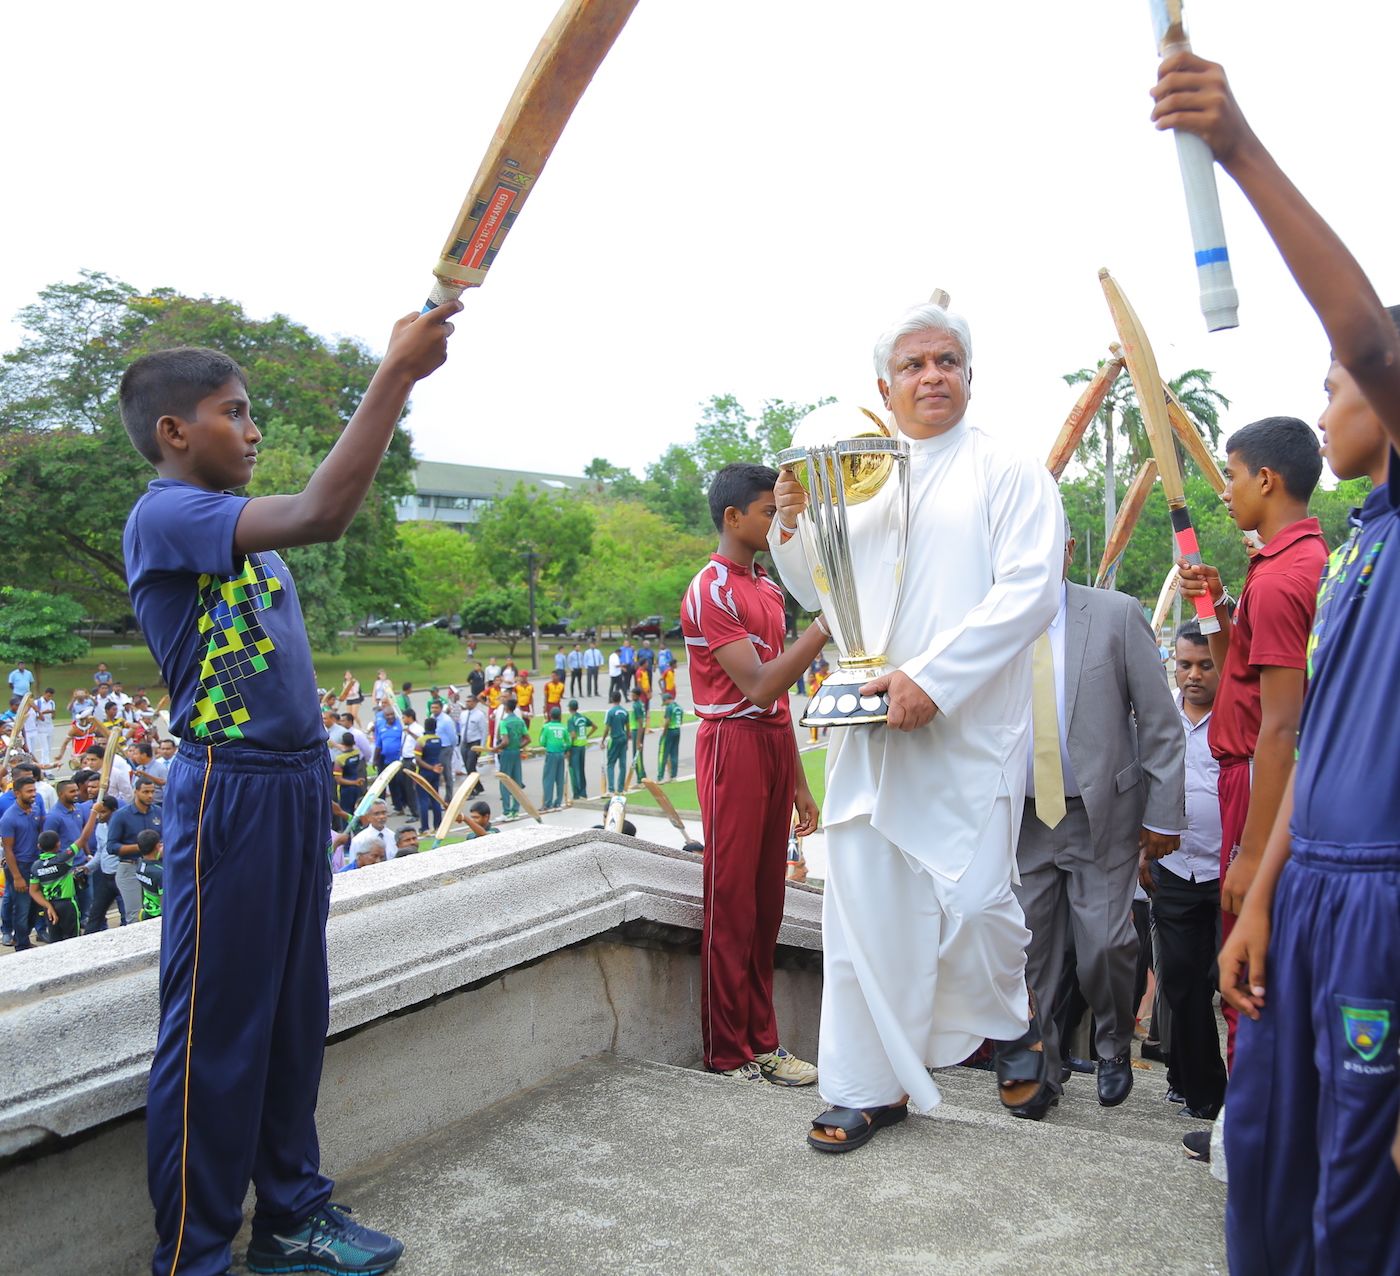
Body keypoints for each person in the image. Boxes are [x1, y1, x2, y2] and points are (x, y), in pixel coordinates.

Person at [119, 306, 453, 1274]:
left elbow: (299, 524)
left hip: (295, 783)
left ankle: (293, 1214)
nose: (254, 428)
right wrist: (393, 376)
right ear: (176, 432)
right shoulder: (168, 511)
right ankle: (195, 1252)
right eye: (235, 411)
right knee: (218, 1029)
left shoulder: (231, 527)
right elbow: (321, 510)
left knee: (292, 1013)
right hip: (233, 786)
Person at [1152, 52, 1400, 1264]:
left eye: (1335, 384)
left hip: (1382, 899)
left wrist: (1238, 150)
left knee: (1358, 1182)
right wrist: (1256, 897)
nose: (1325, 396)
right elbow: (1315, 741)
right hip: (1307, 887)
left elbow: (1359, 326)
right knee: (1270, 1153)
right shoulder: (1357, 552)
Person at [770, 306, 1063, 1150]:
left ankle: (1010, 1018)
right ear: (883, 387)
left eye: (949, 361)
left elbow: (1030, 591)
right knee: (864, 913)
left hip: (965, 731)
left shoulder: (1009, 473)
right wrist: (795, 520)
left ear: (971, 376)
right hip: (868, 732)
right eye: (914, 365)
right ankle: (869, 1088)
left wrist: (935, 679)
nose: (933, 376)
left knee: (974, 904)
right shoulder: (859, 479)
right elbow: (825, 592)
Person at [1011, 521, 1184, 1117]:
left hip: (1101, 816)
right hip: (1024, 819)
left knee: (1105, 946)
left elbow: (1160, 723)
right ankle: (1039, 1070)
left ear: (1067, 548)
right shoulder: (991, 621)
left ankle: (1112, 1043)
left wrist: (1163, 815)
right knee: (1026, 952)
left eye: (1044, 542)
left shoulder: (1115, 614)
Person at [1179, 415, 1325, 1079]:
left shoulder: (1283, 577)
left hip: (1257, 781)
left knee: (1247, 952)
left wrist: (1251, 852)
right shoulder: (1292, 563)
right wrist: (1216, 609)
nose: (1226, 491)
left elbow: (1279, 727)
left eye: (1232, 476)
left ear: (1266, 479)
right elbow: (1240, 672)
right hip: (1256, 771)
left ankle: (1252, 1127)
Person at [682, 462, 824, 1087]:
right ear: (733, 518)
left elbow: (782, 699)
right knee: (731, 903)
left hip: (770, 743)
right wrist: (826, 625)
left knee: (768, 905)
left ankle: (764, 1044)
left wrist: (797, 782)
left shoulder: (766, 588)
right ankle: (726, 1051)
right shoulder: (709, 589)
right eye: (770, 512)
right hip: (732, 744)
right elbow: (762, 684)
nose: (778, 520)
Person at [1148, 621, 1228, 1128]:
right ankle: (1204, 1087)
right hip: (1173, 869)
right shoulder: (1159, 721)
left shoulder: (1242, 719)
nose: (1193, 675)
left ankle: (1194, 1078)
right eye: (1184, 665)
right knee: (1180, 980)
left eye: (1205, 664)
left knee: (1226, 980)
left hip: (1229, 868)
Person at [106, 777, 162, 925]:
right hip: (129, 867)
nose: (150, 795)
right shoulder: (121, 815)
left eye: (152, 792)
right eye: (145, 792)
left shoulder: (158, 812)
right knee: (135, 915)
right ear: (136, 792)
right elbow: (111, 847)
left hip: (154, 869)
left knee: (156, 911)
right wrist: (143, 846)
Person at [1, 775, 45, 950]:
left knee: (35, 906)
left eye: (34, 790)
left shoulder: (34, 810)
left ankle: (23, 938)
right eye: (29, 791)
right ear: (17, 793)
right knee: (22, 908)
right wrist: (17, 876)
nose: (33, 794)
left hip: (35, 865)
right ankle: (22, 944)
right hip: (20, 867)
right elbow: (8, 849)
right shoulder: (8, 818)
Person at [29, 829, 83, 942]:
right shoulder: (63, 859)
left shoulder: (36, 867)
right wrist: (93, 812)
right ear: (58, 844)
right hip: (67, 905)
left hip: (50, 907)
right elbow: (83, 838)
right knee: (73, 940)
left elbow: (33, 891)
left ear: (39, 846)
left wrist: (48, 906)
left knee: (55, 942)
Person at [496, 698, 527, 820]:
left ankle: (506, 811)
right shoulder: (520, 721)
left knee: (505, 781)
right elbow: (527, 738)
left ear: (506, 708)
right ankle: (515, 811)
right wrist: (519, 746)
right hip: (516, 752)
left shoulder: (504, 722)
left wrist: (496, 748)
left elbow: (505, 741)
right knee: (516, 781)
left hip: (507, 752)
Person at [413, 716, 444, 832]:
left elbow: (418, 760)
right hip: (436, 772)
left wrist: (430, 768)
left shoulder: (421, 741)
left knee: (423, 800)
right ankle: (438, 826)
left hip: (424, 772)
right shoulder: (438, 739)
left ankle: (424, 827)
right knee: (435, 798)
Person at [539, 706, 570, 811]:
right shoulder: (563, 727)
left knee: (548, 779)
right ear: (560, 716)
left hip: (551, 754)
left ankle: (548, 804)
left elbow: (542, 742)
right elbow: (568, 742)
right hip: (560, 754)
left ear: (550, 715)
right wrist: (563, 747)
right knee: (559, 778)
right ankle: (558, 802)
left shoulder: (546, 727)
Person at [566, 699, 595, 801]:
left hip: (575, 747)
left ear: (569, 708)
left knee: (574, 770)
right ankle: (583, 792)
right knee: (581, 770)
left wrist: (568, 747)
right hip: (582, 746)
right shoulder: (582, 718)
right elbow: (594, 726)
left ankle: (576, 794)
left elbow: (573, 735)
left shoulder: (571, 720)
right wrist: (587, 736)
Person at [135, 827, 165, 921]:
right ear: (157, 846)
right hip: (158, 915)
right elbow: (165, 901)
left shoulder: (140, 865)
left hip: (147, 912)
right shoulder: (160, 873)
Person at [604, 691, 630, 795]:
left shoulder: (610, 712)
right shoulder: (625, 712)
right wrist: (627, 741)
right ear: (620, 699)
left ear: (612, 699)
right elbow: (628, 728)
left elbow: (607, 728)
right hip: (623, 738)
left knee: (610, 764)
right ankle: (620, 788)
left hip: (614, 739)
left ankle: (611, 789)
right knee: (622, 764)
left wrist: (602, 740)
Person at [657, 690, 683, 781]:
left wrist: (664, 733)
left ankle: (660, 777)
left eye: (664, 702)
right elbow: (681, 721)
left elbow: (667, 721)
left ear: (667, 700)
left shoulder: (669, 708)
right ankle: (673, 776)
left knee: (663, 753)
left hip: (670, 731)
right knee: (674, 753)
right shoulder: (679, 707)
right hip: (677, 730)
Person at [628, 687, 649, 782]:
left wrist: (638, 740)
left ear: (636, 695)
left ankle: (640, 778)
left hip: (637, 731)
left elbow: (640, 723)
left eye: (632, 694)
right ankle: (642, 775)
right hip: (639, 730)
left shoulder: (636, 706)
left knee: (636, 755)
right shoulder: (640, 704)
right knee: (638, 754)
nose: (631, 696)